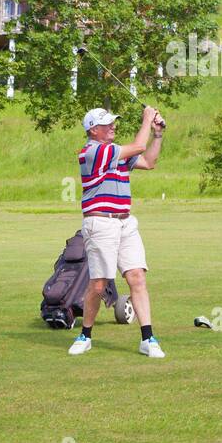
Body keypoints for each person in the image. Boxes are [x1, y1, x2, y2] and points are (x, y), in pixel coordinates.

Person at [69, 104, 166, 358]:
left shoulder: (115, 152)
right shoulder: (93, 152)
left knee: (137, 276)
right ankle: (85, 335)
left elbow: (148, 161)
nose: (113, 126)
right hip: (100, 223)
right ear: (93, 130)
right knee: (99, 285)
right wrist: (146, 119)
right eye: (108, 124)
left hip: (125, 221)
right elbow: (137, 147)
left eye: (114, 122)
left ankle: (148, 338)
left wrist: (157, 134)